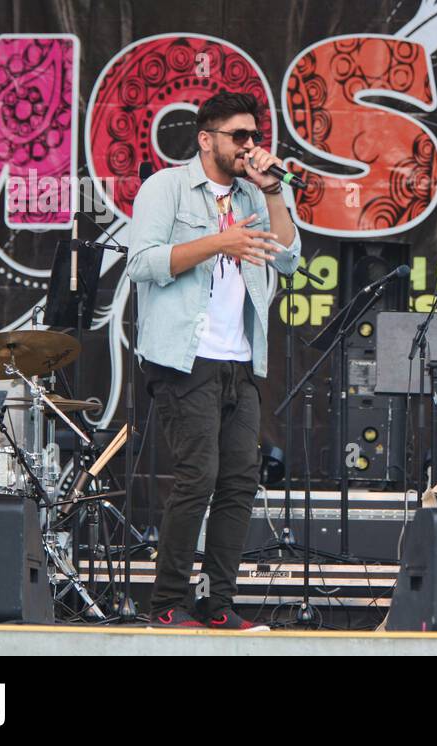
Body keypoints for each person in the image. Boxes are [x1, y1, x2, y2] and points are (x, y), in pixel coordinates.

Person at [127, 91, 301, 630]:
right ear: (207, 140)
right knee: (197, 477)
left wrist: (273, 191)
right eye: (239, 136)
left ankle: (220, 605)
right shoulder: (167, 188)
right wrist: (217, 242)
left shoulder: (256, 192)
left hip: (240, 360)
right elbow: (143, 263)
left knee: (238, 484)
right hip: (186, 357)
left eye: (255, 136)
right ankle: (168, 604)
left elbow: (290, 258)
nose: (250, 146)